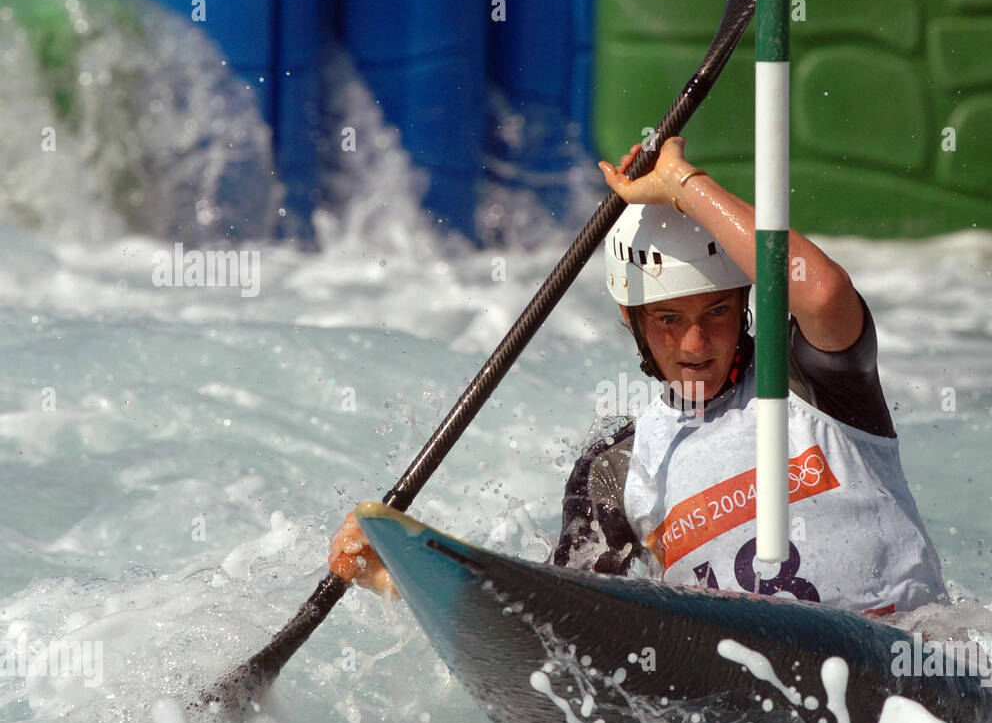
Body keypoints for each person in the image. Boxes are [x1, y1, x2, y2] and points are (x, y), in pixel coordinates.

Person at [330, 136, 949, 615]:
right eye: (668, 320)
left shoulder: (811, 382)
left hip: (911, 661)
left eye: (717, 312)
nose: (695, 344)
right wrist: (400, 577)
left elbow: (823, 291)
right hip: (756, 702)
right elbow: (558, 625)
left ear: (746, 302)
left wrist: (683, 186)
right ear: (631, 320)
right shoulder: (618, 467)